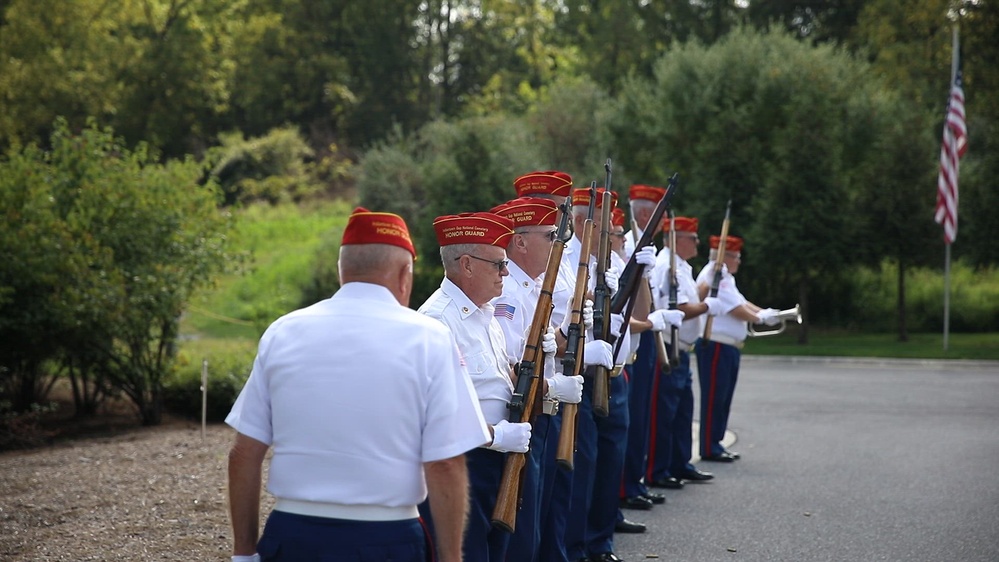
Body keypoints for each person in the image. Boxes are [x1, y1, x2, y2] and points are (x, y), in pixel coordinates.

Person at [225, 207, 491, 562]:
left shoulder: (283, 331)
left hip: (293, 532)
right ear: (404, 275)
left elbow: (244, 452)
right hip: (386, 536)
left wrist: (244, 553)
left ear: (342, 271)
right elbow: (445, 463)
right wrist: (451, 558)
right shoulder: (430, 338)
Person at [418, 211, 533, 562]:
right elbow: (434, 418)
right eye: (498, 264)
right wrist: (497, 437)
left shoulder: (486, 314)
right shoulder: (438, 321)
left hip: (496, 460)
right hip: (463, 462)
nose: (506, 272)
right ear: (466, 265)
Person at [489, 196, 583, 562]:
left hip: (536, 417)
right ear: (521, 241)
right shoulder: (509, 294)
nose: (559, 242)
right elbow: (514, 369)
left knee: (538, 516)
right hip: (520, 419)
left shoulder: (533, 287)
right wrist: (554, 386)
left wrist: (566, 335)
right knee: (521, 525)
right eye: (550, 235)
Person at [645, 216, 722, 491]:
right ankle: (658, 469)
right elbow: (673, 310)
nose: (698, 243)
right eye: (694, 238)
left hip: (682, 348)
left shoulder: (682, 267)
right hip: (668, 347)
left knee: (682, 411)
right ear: (678, 239)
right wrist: (705, 307)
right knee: (663, 413)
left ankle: (680, 463)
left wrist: (708, 289)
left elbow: (690, 299)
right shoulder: (666, 267)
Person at [694, 235, 780, 462]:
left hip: (727, 346)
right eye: (737, 257)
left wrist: (763, 312)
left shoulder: (725, 277)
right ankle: (710, 445)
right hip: (716, 345)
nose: (740, 262)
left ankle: (716, 442)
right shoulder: (715, 275)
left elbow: (741, 302)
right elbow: (734, 309)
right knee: (715, 397)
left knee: (723, 397)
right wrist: (758, 319)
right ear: (727, 257)